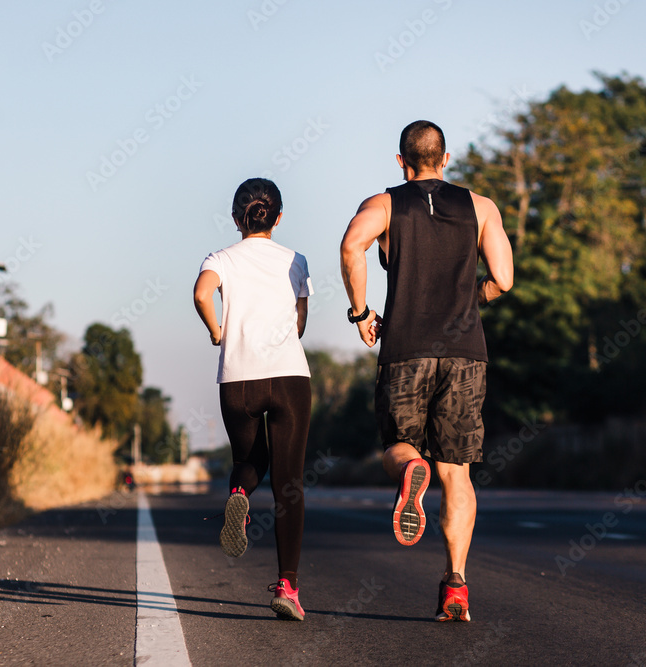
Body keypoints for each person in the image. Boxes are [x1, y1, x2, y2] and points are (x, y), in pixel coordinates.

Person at [339, 120, 513, 622]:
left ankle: (410, 470)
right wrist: (470, 300)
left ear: (401, 161)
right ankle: (455, 584)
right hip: (465, 352)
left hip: (405, 348)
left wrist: (360, 312)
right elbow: (503, 278)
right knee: (456, 472)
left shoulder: (384, 204)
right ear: (446, 157)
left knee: (399, 447)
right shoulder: (481, 207)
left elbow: (352, 246)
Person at [193, 178, 313, 621]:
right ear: (277, 218)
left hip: (238, 378)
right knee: (289, 483)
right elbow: (300, 324)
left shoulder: (220, 258)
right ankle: (288, 587)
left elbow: (202, 293)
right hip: (288, 378)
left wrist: (217, 330)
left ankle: (240, 491)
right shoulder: (295, 261)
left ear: (235, 217)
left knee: (248, 457)